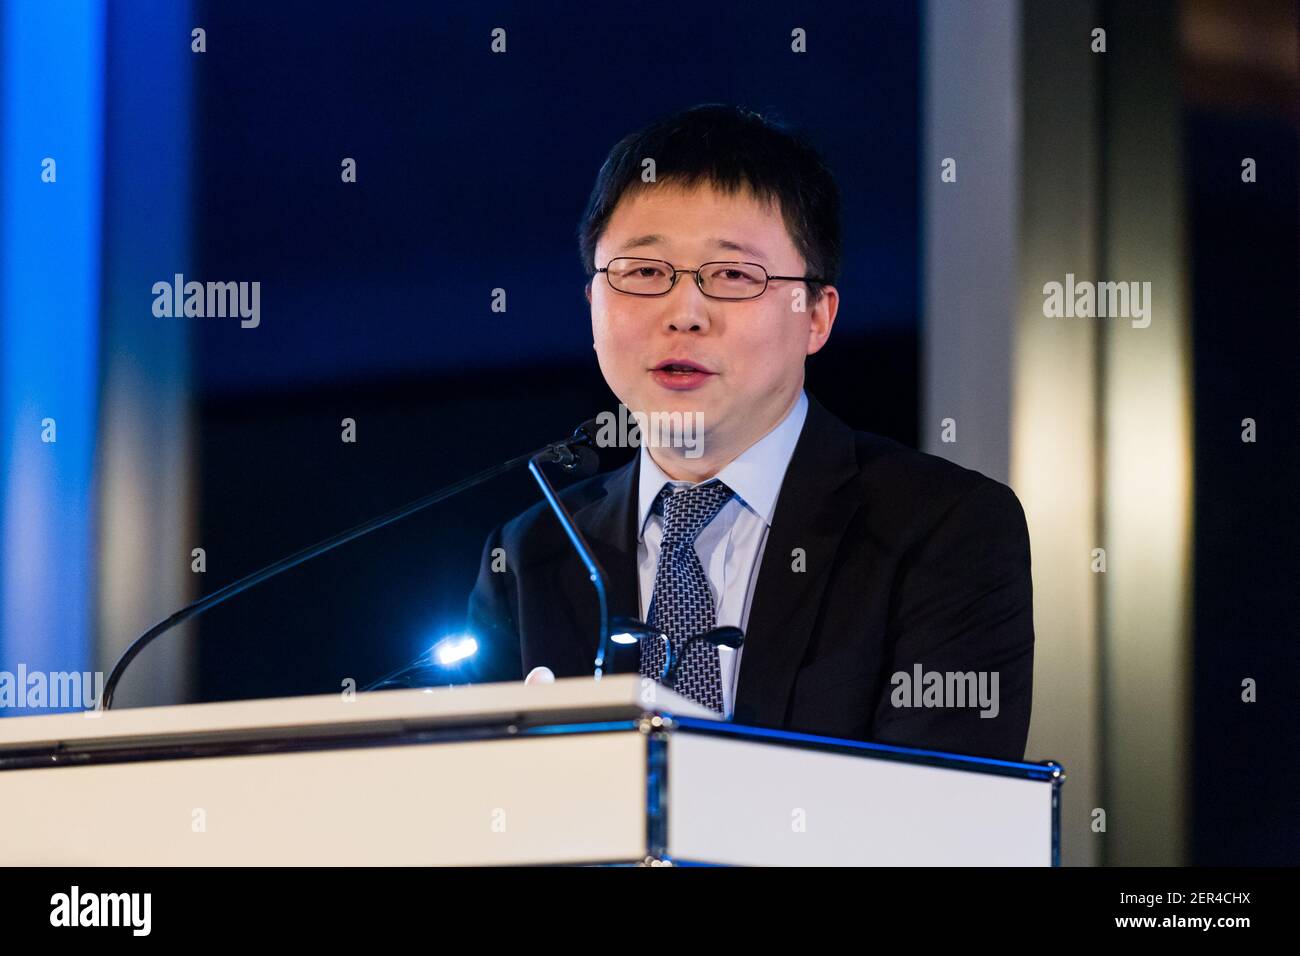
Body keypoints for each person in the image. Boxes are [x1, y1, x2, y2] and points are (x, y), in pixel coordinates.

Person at [467, 104, 1034, 761]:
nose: (684, 314)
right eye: (644, 273)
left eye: (732, 276)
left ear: (817, 316)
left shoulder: (941, 529)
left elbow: (942, 816)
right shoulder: (533, 553)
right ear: (592, 302)